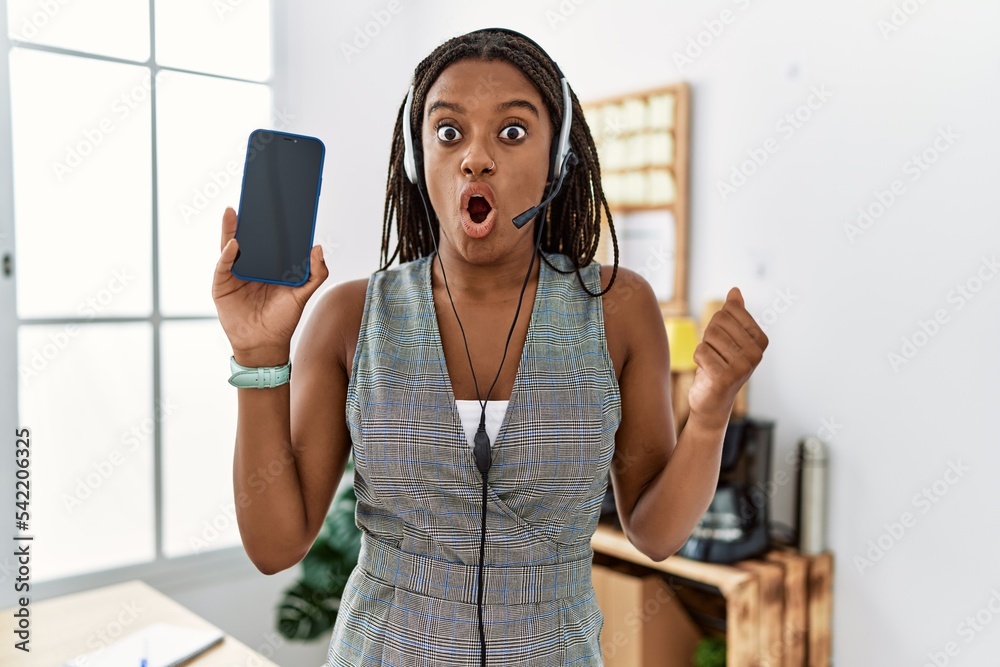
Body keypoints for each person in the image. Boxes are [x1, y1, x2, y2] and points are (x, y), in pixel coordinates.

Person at [212, 27, 768, 667]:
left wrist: (712, 409)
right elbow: (274, 546)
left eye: (512, 132)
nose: (476, 156)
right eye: (449, 132)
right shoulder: (350, 316)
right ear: (419, 160)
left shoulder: (618, 308)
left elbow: (656, 532)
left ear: (557, 159)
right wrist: (257, 355)